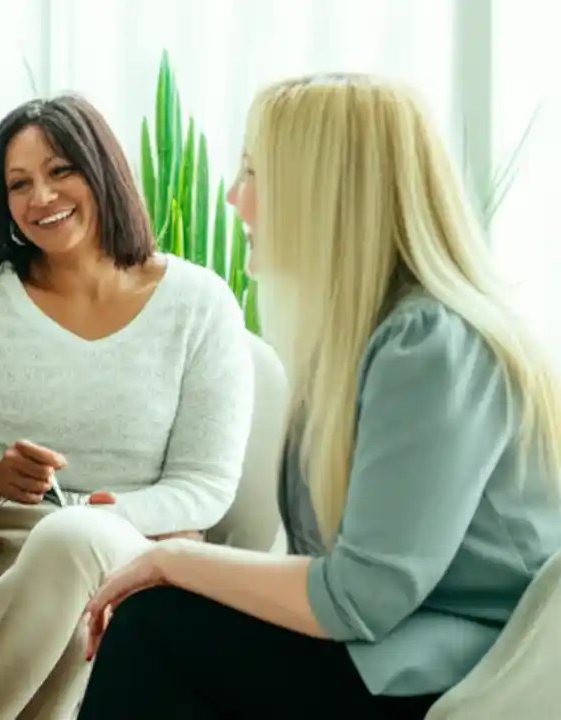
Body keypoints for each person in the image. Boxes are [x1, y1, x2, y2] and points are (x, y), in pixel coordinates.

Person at [80, 74, 561, 719]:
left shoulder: (432, 344)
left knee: (155, 630)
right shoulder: (371, 340)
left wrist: (173, 558)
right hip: (400, 649)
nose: (233, 198)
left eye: (254, 173)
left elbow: (359, 595)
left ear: (324, 191)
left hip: (470, 670)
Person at [0, 94, 255, 719]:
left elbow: (206, 486)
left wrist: (96, 516)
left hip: (146, 555)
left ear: (102, 171)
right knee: (65, 604)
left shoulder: (199, 304)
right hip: (7, 560)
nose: (41, 196)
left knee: (72, 540)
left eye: (61, 170)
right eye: (19, 183)